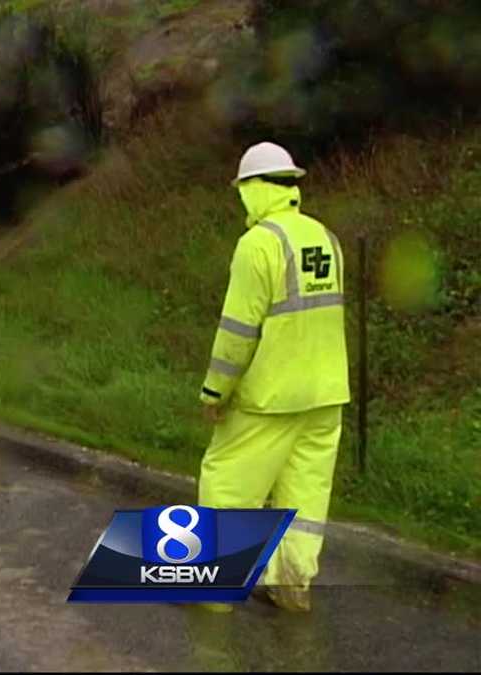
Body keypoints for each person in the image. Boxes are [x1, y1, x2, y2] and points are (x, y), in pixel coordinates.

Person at [197, 142, 350, 613]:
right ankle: (292, 585)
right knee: (304, 499)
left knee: (227, 486)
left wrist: (214, 391)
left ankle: (215, 590)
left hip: (270, 398)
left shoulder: (258, 244)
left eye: (243, 190)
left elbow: (237, 331)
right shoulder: (326, 238)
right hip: (326, 396)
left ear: (254, 188)